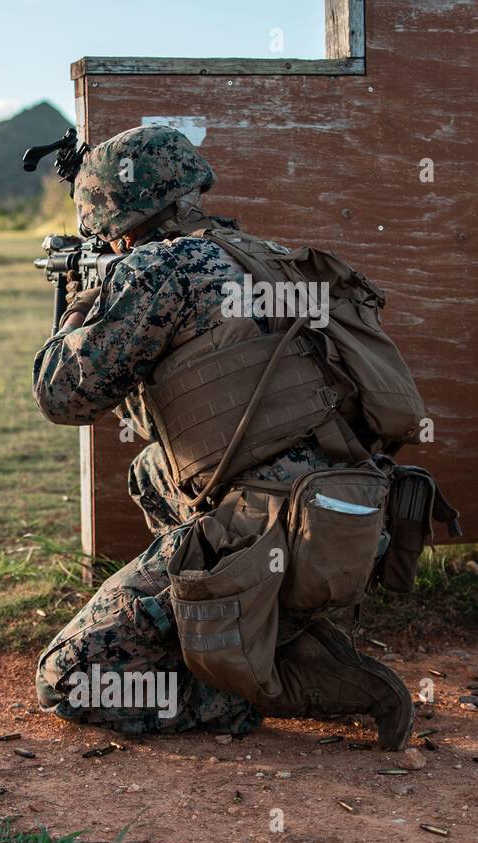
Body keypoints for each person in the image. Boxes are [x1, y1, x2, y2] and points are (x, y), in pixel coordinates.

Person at [31, 125, 414, 748]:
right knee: (154, 469)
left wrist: (81, 306)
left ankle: (273, 680)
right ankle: (243, 620)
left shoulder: (159, 270)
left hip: (276, 533)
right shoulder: (266, 255)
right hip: (351, 521)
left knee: (72, 680)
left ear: (116, 221)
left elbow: (63, 397)